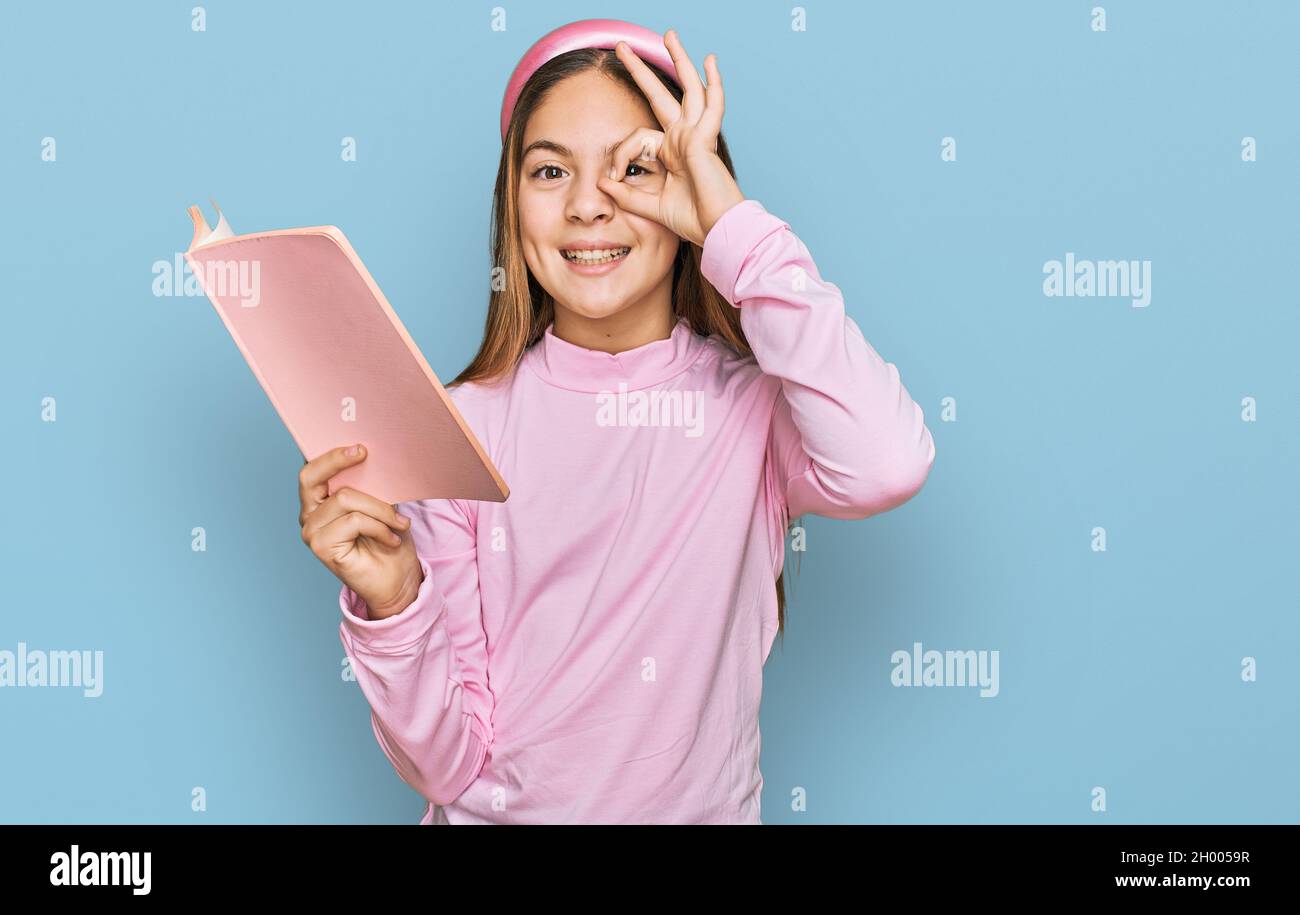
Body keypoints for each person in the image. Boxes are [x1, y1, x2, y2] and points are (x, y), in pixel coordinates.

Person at [298, 19, 936, 824]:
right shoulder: (459, 428)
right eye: (550, 169)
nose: (589, 205)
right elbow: (444, 764)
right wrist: (394, 600)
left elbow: (888, 459)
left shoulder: (752, 411)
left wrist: (732, 230)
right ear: (512, 201)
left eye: (636, 169)